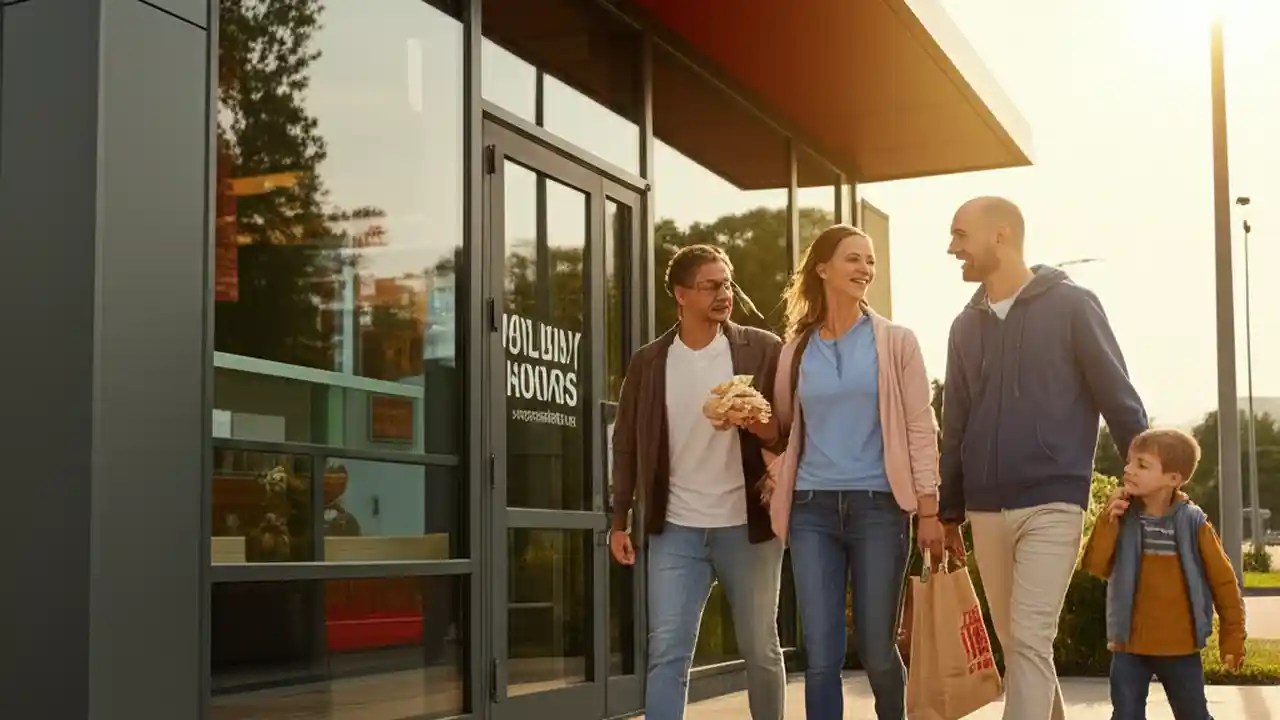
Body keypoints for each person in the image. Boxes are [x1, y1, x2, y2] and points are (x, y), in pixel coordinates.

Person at [938, 196, 1149, 720]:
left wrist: (1148, 478)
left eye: (961, 235)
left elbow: (1118, 397)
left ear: (1000, 235)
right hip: (986, 506)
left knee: (1030, 635)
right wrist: (949, 508)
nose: (952, 248)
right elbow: (956, 422)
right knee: (1019, 643)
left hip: (1053, 497)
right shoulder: (964, 327)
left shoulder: (1073, 305)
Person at [760, 224, 944, 720]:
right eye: (853, 259)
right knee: (821, 654)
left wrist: (928, 508)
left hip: (879, 508)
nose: (865, 269)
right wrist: (752, 426)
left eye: (870, 261)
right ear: (822, 268)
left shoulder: (896, 341)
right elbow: (781, 427)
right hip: (811, 509)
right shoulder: (794, 349)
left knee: (878, 649)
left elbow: (921, 428)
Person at [609, 244, 785, 720]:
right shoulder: (649, 363)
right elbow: (625, 443)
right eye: (711, 285)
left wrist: (755, 418)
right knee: (668, 652)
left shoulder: (762, 349)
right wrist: (619, 517)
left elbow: (788, 430)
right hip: (676, 529)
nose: (724, 293)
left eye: (727, 283)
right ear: (681, 294)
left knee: (761, 651)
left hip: (747, 528)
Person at [1081, 428, 1245, 720]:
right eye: (1129, 462)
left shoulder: (1194, 524)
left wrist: (1232, 638)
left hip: (1180, 647)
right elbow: (1095, 566)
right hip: (1129, 645)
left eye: (1142, 465)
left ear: (1173, 479)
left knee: (1193, 713)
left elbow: (1223, 582)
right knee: (1126, 715)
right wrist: (1108, 521)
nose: (1129, 470)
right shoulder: (1123, 516)